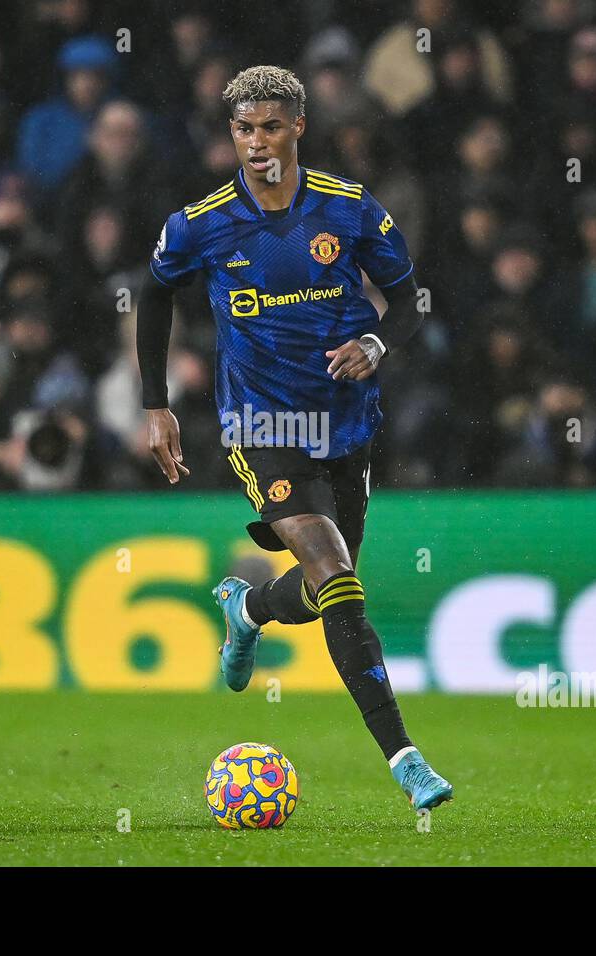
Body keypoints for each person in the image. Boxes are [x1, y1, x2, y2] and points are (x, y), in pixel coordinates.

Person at [135, 65, 452, 810]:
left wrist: (377, 343)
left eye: (271, 126)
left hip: (347, 423)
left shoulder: (347, 209)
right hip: (263, 422)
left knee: (324, 591)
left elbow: (407, 300)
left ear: (299, 128)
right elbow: (154, 295)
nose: (256, 143)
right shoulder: (201, 223)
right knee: (333, 564)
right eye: (243, 129)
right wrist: (158, 405)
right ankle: (404, 757)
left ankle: (246, 611)